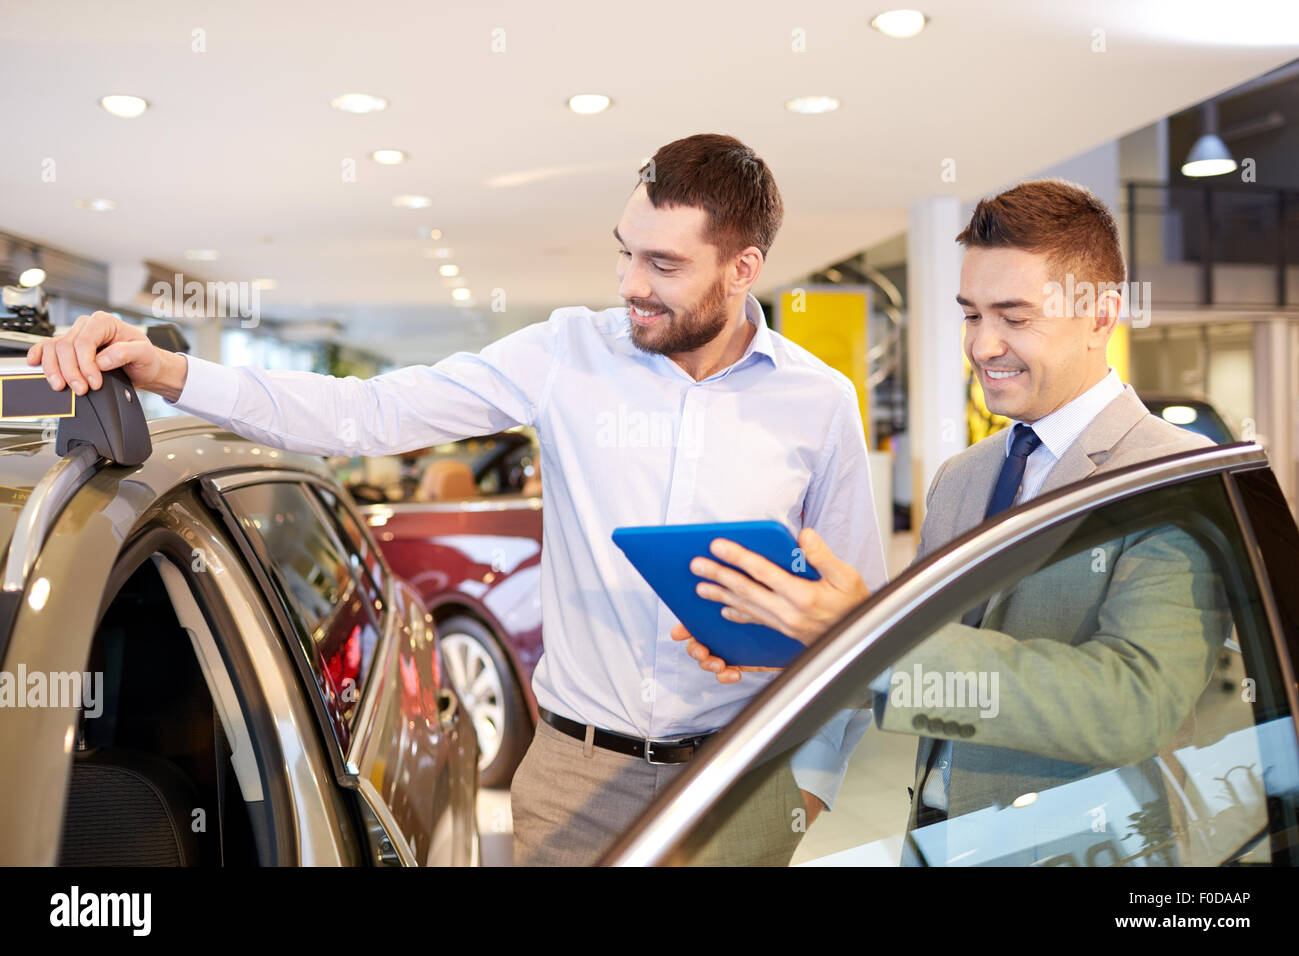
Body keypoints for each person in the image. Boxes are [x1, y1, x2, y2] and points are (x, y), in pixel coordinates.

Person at [31, 133, 887, 866]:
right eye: (625, 249)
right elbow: (369, 411)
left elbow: (858, 609)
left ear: (743, 269)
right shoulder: (565, 354)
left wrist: (812, 784)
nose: (629, 282)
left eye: (663, 263)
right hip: (575, 782)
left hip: (742, 772)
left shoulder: (817, 403)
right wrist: (172, 372)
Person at [673, 178, 1229, 863]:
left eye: (1014, 317)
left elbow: (1133, 705)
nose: (983, 345)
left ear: (1100, 316)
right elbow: (924, 661)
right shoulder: (963, 478)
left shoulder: (1174, 475)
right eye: (971, 315)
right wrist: (784, 636)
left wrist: (866, 632)